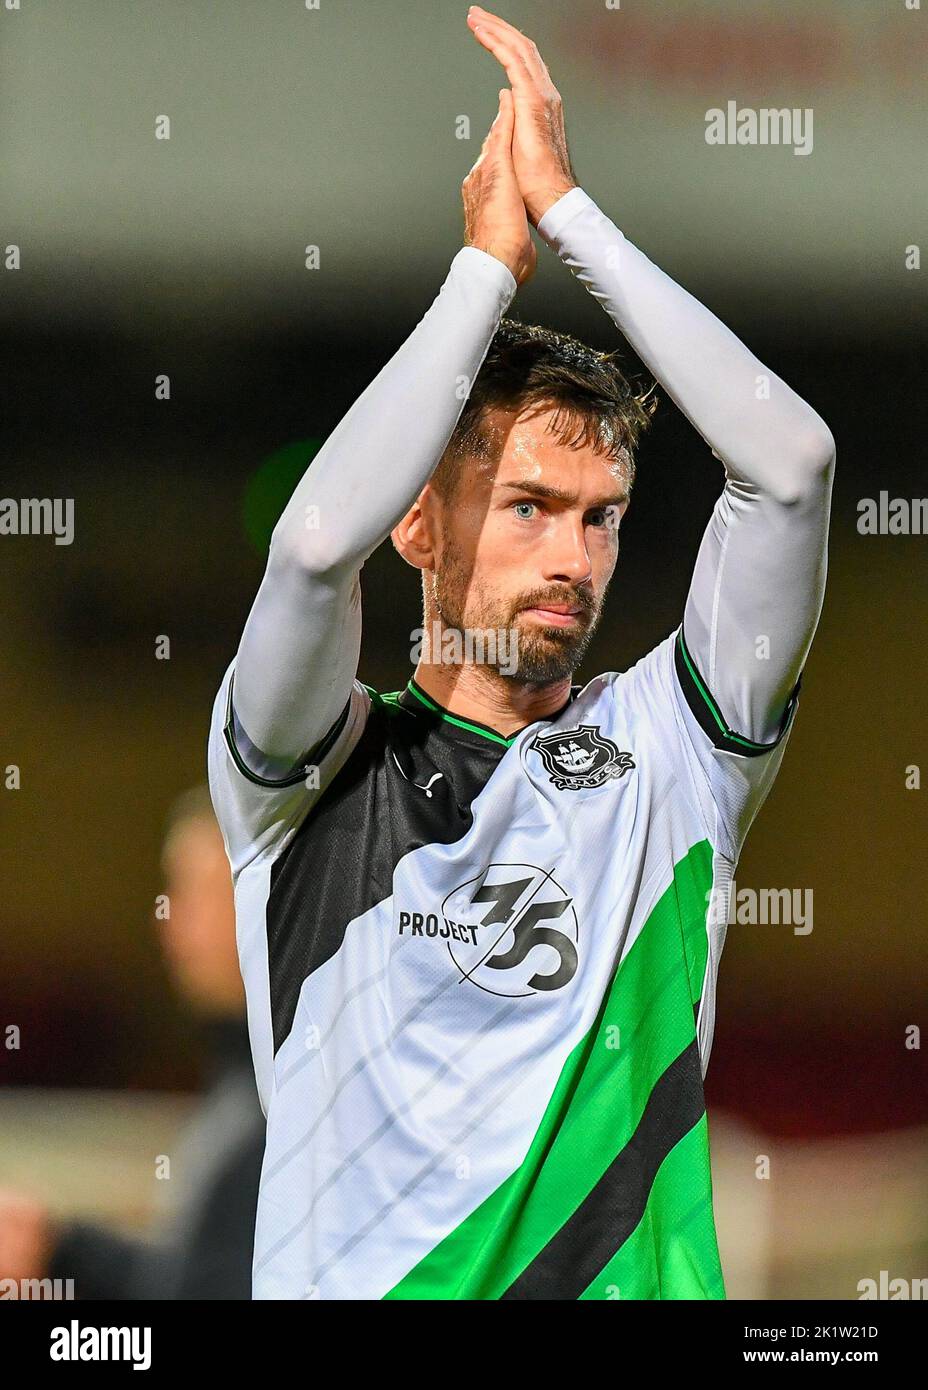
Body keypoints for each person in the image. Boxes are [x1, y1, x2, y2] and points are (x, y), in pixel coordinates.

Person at [207, 7, 835, 1300]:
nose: (573, 557)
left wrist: (573, 217)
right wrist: (487, 271)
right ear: (422, 524)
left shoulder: (673, 755)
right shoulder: (306, 783)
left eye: (600, 517)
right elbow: (316, 547)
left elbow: (795, 467)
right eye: (529, 506)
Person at [0, 787, 265, 1300]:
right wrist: (58, 1250)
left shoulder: (293, 1098)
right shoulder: (241, 1078)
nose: (168, 924)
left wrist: (64, 1259)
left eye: (196, 893)